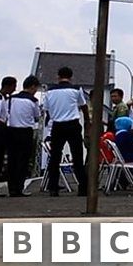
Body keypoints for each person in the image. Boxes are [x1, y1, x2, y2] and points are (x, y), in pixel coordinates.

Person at [44, 67, 89, 196]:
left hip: (57, 125)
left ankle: (53, 188)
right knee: (77, 156)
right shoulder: (76, 89)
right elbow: (84, 107)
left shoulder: (49, 91)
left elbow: (47, 110)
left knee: (55, 157)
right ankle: (83, 187)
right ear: (71, 77)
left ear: (58, 76)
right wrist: (87, 122)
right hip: (73, 124)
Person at [6, 75, 41, 197]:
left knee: (12, 160)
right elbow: (37, 116)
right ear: (32, 87)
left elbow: (7, 113)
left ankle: (11, 188)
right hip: (25, 132)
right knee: (23, 160)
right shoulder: (33, 100)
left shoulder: (11, 98)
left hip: (11, 131)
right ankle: (19, 188)